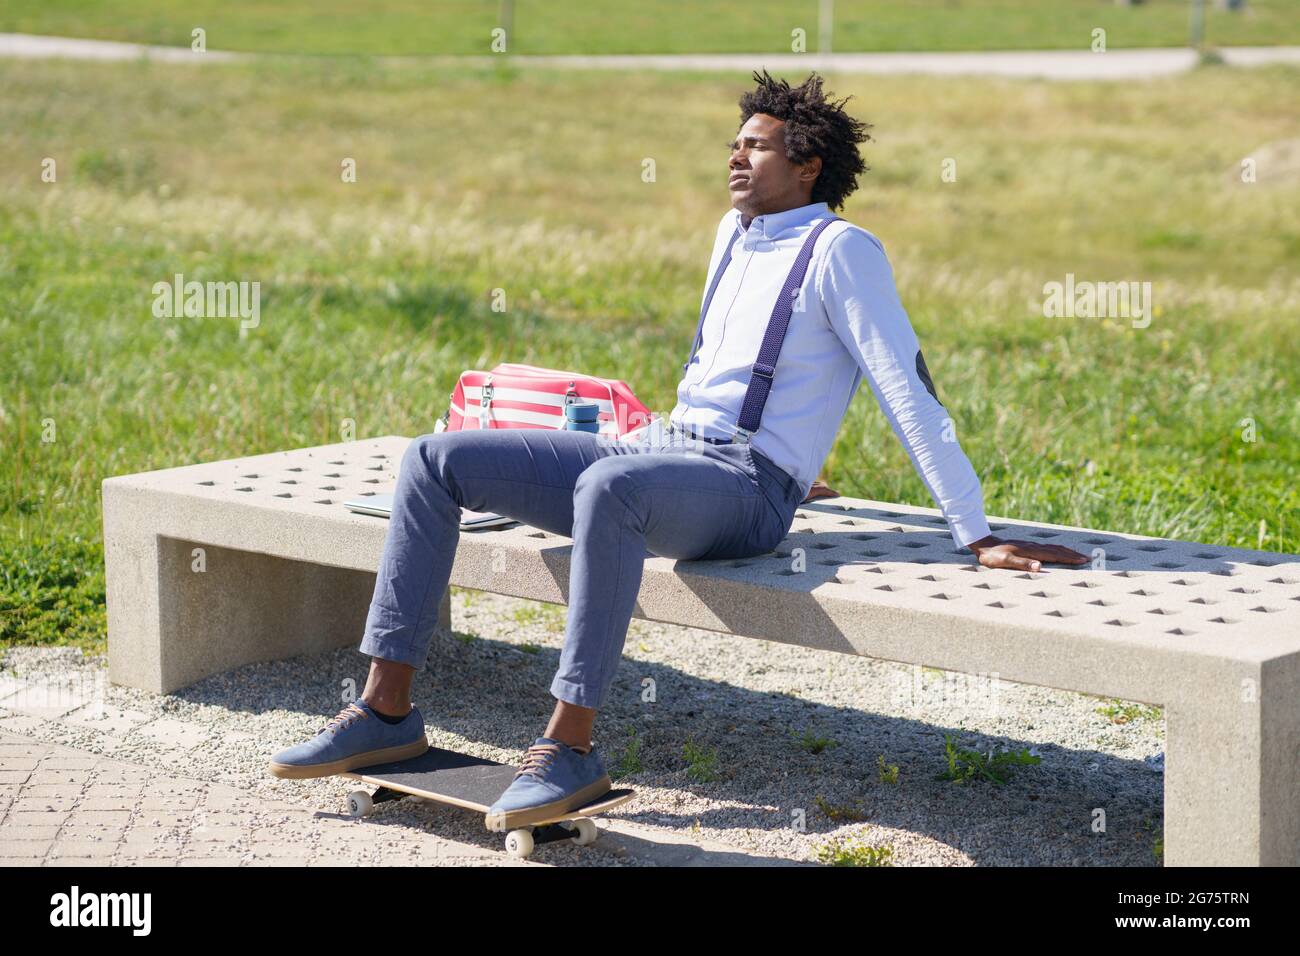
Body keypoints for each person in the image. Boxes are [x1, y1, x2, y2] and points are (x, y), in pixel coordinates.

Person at [268, 70, 1087, 829]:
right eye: (735, 142)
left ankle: (569, 748)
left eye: (756, 144)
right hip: (666, 454)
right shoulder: (732, 235)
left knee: (609, 492)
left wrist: (972, 531)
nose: (735, 155)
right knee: (433, 458)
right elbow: (722, 379)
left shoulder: (844, 252)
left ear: (809, 164)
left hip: (744, 488)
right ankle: (383, 713)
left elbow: (905, 385)